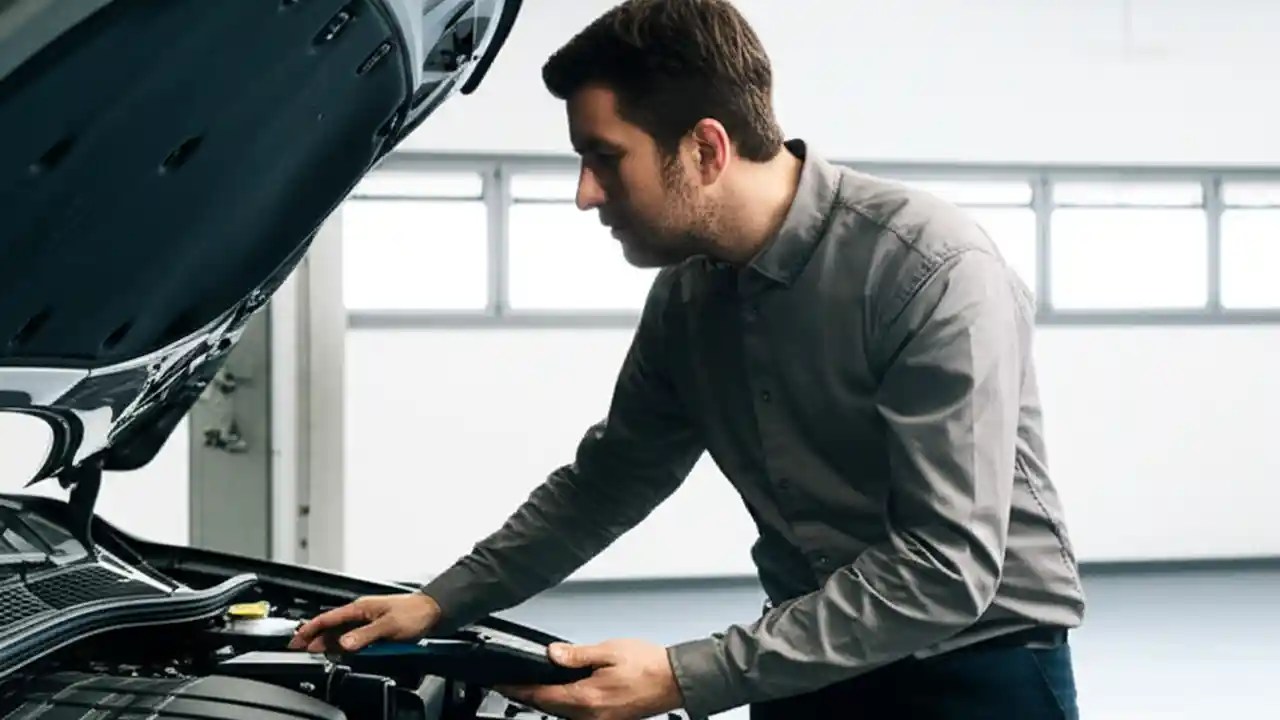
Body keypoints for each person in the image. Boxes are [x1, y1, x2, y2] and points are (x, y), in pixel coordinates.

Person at [290, 1, 1086, 718]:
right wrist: (438, 604)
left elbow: (944, 568)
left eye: (605, 157)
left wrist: (682, 675)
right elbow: (612, 478)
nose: (585, 195)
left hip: (978, 671)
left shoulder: (930, 270)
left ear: (706, 148)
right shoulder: (688, 295)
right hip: (805, 664)